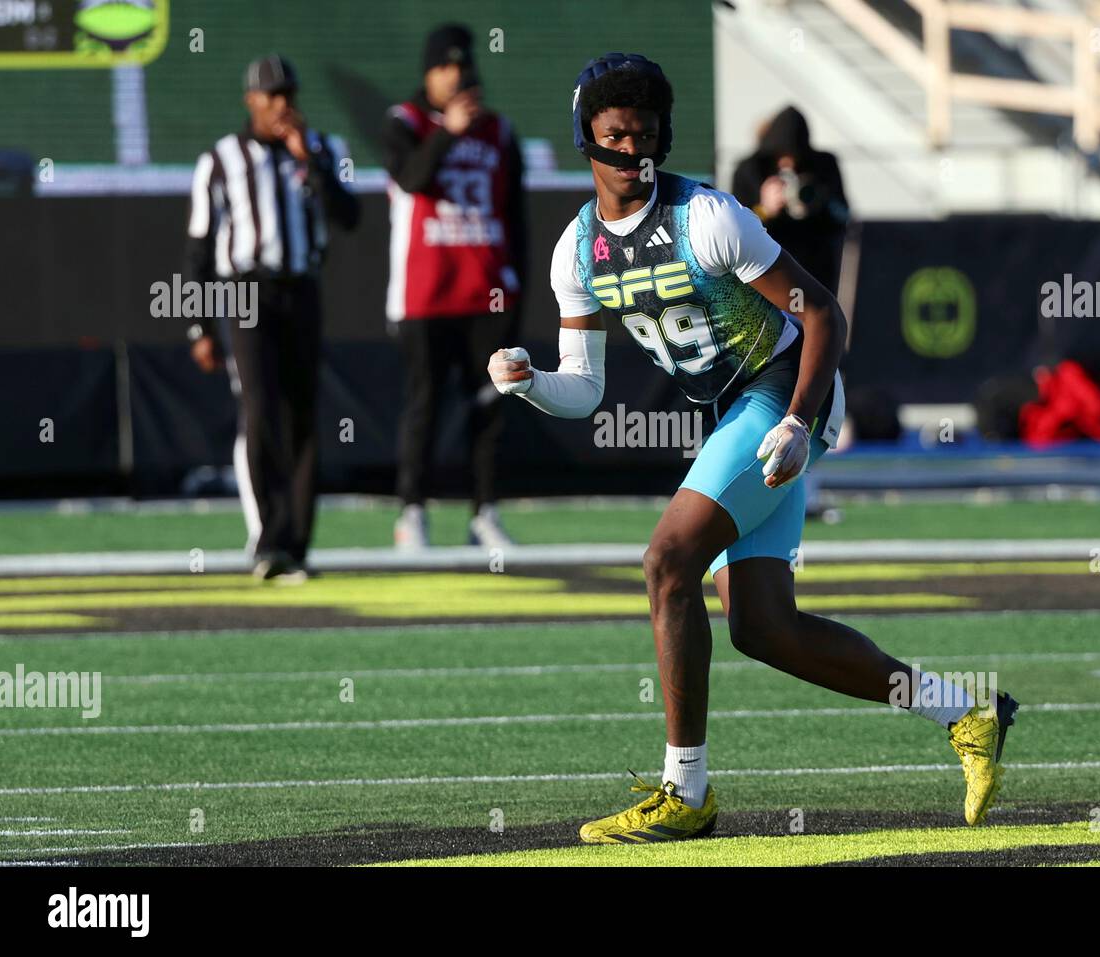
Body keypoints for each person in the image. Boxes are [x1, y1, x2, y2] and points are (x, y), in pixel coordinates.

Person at [488, 54, 1018, 843]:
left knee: (667, 560)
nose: (632, 153)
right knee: (764, 628)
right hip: (737, 411)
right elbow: (585, 389)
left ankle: (685, 789)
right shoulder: (577, 250)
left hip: (782, 390)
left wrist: (800, 421)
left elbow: (825, 317)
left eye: (645, 135)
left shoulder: (707, 215)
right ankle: (966, 712)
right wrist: (529, 380)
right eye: (614, 136)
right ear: (585, 141)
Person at [186, 54, 360, 581]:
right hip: (246, 291)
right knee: (261, 409)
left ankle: (298, 546)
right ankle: (268, 541)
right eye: (273, 96)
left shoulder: (320, 149)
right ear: (251, 101)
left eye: (290, 94)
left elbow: (348, 217)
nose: (284, 105)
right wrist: (199, 325)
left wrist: (311, 162)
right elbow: (197, 250)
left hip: (302, 289)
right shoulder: (221, 159)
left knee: (303, 416)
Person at [384, 24, 526, 550]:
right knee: (424, 403)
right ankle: (412, 511)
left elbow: (517, 221)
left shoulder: (500, 132)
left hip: (486, 292)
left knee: (489, 405)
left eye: (463, 65)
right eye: (445, 66)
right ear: (428, 73)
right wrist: (448, 130)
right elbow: (412, 179)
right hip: (425, 292)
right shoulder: (405, 122)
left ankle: (484, 513)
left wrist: (518, 292)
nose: (457, 74)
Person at [731, 106, 850, 293]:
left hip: (815, 269)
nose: (789, 165)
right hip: (767, 272)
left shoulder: (824, 166)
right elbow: (734, 232)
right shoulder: (749, 171)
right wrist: (764, 209)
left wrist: (819, 199)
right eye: (781, 156)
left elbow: (842, 215)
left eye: (795, 156)